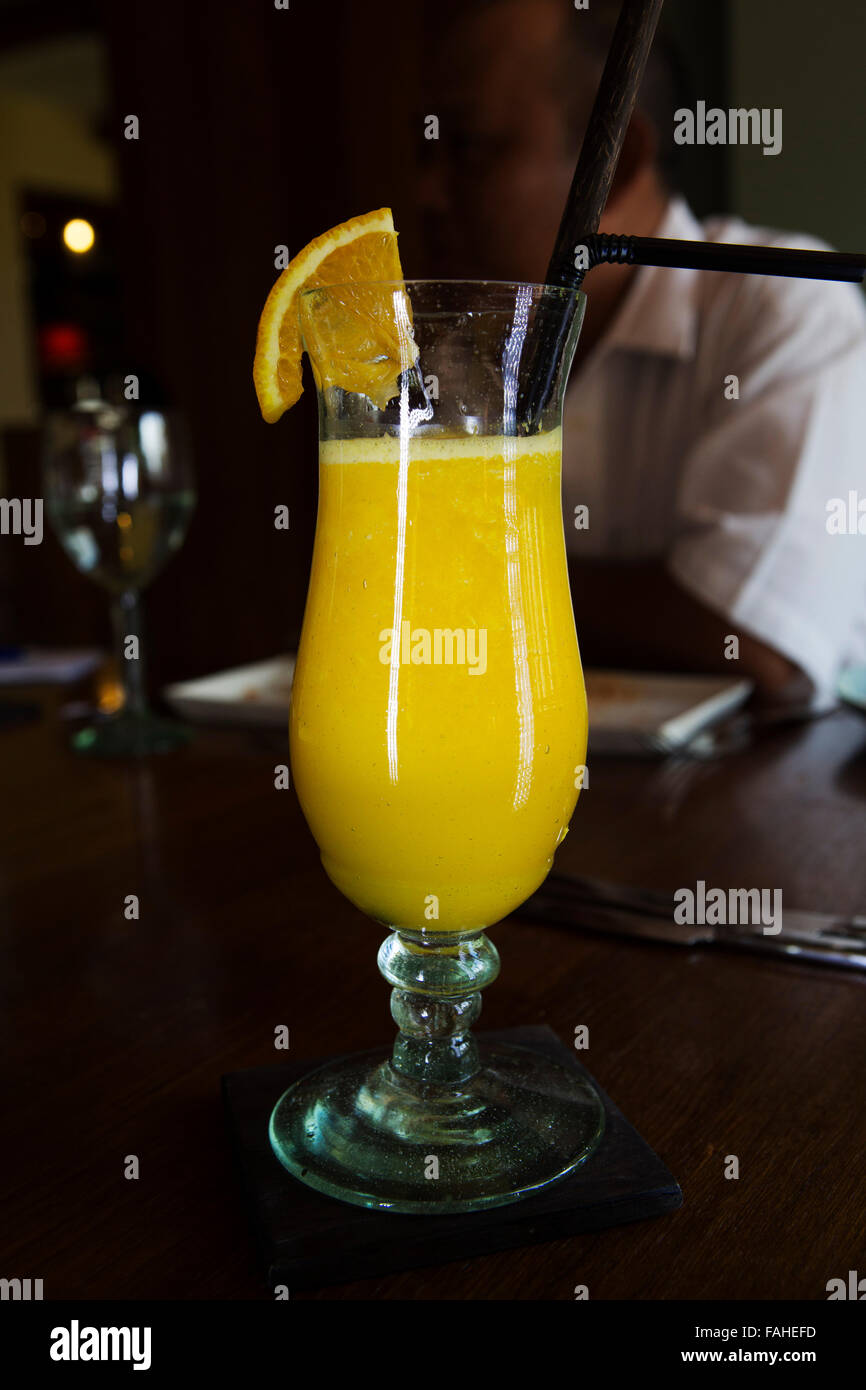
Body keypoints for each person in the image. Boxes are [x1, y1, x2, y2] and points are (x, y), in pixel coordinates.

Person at [418, 0, 866, 711]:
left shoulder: (781, 306)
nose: (427, 192)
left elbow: (756, 642)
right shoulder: (449, 345)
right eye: (427, 150)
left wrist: (486, 574)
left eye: (470, 149)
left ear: (617, 161)